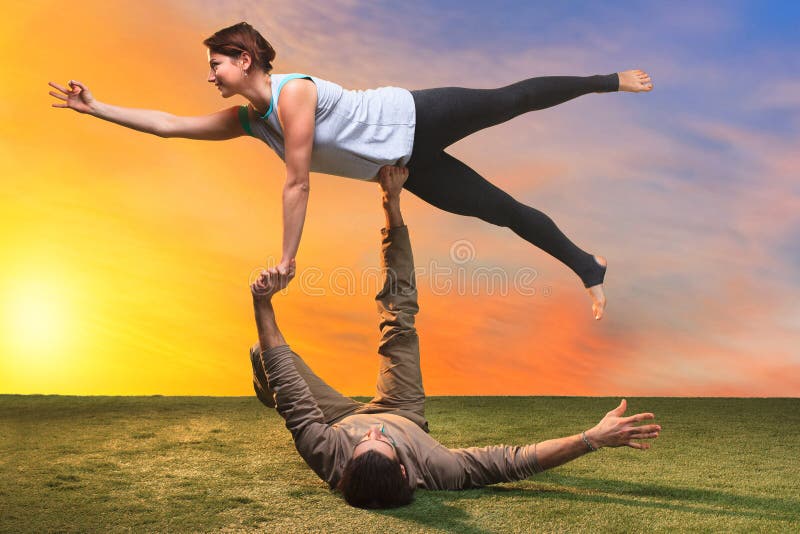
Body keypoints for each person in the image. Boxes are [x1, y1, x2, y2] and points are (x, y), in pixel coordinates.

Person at [49, 21, 654, 319]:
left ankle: (610, 81)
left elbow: (297, 180)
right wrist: (94, 107)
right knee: (500, 211)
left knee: (508, 99)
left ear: (244, 58)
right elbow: (168, 124)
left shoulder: (292, 96)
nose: (210, 76)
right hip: (405, 166)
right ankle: (587, 265)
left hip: (418, 114)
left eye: (216, 64)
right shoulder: (249, 120)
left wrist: (287, 261)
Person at [248, 165, 660, 509]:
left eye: (364, 443)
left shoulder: (325, 451)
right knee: (400, 322)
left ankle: (389, 205)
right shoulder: (438, 469)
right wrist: (592, 439)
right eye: (382, 442)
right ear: (407, 471)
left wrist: (263, 301)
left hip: (337, 420)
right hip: (403, 409)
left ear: (344, 467)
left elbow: (288, 376)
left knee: (266, 357)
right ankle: (393, 207)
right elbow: (513, 463)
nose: (373, 433)